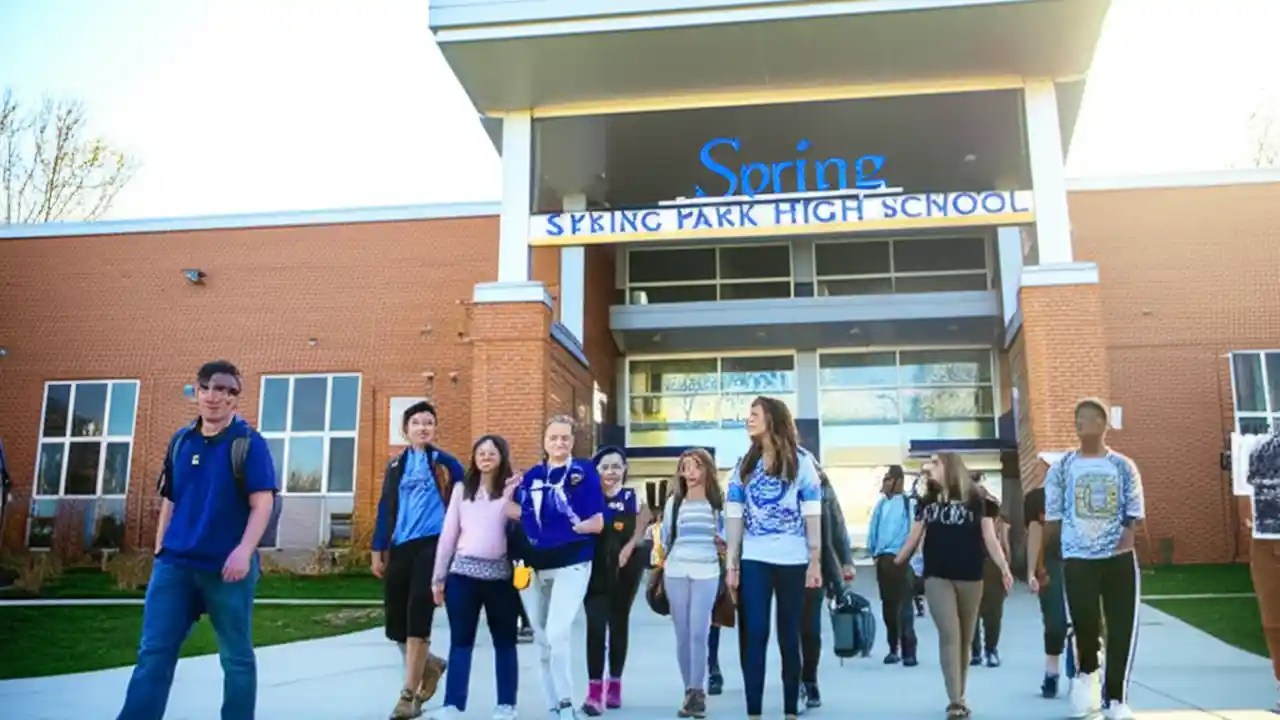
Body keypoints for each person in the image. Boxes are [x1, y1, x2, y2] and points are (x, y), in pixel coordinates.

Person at [116, 360, 277, 720]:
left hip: (227, 569)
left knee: (235, 657)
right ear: (197, 392)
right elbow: (170, 498)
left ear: (235, 398)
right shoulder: (181, 440)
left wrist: (244, 552)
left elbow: (262, 503)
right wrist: (161, 549)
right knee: (154, 653)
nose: (212, 397)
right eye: (206, 388)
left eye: (223, 390)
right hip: (175, 567)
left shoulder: (248, 444)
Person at [1044, 398, 1145, 720]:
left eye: (1085, 419)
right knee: (1085, 623)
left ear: (1102, 424)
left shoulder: (1123, 466)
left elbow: (1133, 513)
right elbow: (1053, 516)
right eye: (1076, 420)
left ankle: (1116, 698)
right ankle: (1087, 674)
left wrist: (1123, 542)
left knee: (1121, 627)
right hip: (1078, 558)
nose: (1079, 425)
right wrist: (1045, 559)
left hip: (1117, 559)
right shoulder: (1062, 467)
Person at [724, 396, 823, 720]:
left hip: (793, 559)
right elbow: (734, 515)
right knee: (755, 632)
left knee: (788, 634)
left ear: (772, 419)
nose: (748, 419)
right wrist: (732, 563)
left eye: (754, 414)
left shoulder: (802, 462)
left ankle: (790, 710)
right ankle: (754, 711)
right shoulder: (744, 465)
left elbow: (812, 513)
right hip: (755, 558)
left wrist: (815, 560)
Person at [895, 452, 1012, 719]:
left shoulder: (977, 500)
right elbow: (914, 536)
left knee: (965, 638)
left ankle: (960, 694)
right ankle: (955, 701)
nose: (929, 467)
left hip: (971, 576)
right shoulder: (927, 500)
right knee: (950, 634)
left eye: (935, 463)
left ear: (949, 466)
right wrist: (896, 561)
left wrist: (1004, 568)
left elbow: (990, 538)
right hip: (937, 576)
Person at [371, 400, 467, 720]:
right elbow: (386, 508)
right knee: (395, 622)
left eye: (429, 422)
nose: (423, 427)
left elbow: (466, 488)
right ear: (406, 429)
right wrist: (377, 548)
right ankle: (431, 664)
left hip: (433, 545)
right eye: (416, 423)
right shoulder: (395, 466)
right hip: (400, 546)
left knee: (417, 613)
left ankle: (408, 695)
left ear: (434, 429)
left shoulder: (443, 462)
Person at [508, 415, 605, 720]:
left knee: (557, 631)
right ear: (545, 441)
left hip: (572, 561)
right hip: (531, 565)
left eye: (565, 438)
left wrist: (578, 528)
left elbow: (598, 520)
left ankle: (566, 702)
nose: (559, 443)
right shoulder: (532, 475)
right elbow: (514, 510)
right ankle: (553, 704)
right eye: (554, 438)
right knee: (540, 636)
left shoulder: (584, 472)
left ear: (573, 442)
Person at [429, 435, 522, 720]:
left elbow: (526, 522)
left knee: (505, 642)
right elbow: (448, 536)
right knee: (461, 641)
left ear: (502, 456)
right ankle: (453, 705)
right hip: (463, 577)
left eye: (491, 452)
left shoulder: (514, 488)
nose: (485, 457)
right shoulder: (461, 490)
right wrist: (438, 578)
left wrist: (513, 495)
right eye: (480, 452)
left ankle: (506, 704)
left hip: (502, 578)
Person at [581, 446, 651, 715]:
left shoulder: (633, 496)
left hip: (626, 567)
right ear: (596, 471)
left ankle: (615, 685)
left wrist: (630, 547)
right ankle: (594, 690)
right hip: (595, 572)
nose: (610, 472)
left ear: (624, 469)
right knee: (596, 627)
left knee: (618, 623)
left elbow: (642, 524)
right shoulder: (588, 498)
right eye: (604, 467)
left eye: (616, 466)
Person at [660, 448, 725, 718]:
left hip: (707, 570)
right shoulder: (675, 502)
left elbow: (726, 535)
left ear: (707, 470)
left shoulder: (717, 503)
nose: (690, 471)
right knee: (683, 633)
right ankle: (690, 690)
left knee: (700, 631)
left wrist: (724, 543)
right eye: (685, 466)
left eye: (696, 466)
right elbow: (665, 538)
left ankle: (698, 690)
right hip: (676, 569)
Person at [793, 462, 857, 710]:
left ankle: (809, 679)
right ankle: (795, 681)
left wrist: (846, 561)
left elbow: (837, 526)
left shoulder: (823, 489)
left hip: (816, 564)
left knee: (809, 628)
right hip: (783, 563)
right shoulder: (778, 484)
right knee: (790, 628)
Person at [1025, 456, 1070, 698]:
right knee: (1055, 623)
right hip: (1050, 566)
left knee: (1087, 622)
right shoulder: (1036, 499)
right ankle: (1051, 674)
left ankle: (1087, 675)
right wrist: (1032, 571)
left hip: (1081, 563)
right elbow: (1034, 533)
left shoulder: (1078, 497)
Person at [867, 464, 918, 666]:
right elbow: (873, 531)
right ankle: (892, 648)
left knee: (905, 606)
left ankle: (909, 651)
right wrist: (874, 554)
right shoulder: (880, 505)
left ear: (898, 481)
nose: (886, 482)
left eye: (889, 478)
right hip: (884, 560)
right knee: (888, 607)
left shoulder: (908, 503)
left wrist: (909, 557)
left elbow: (914, 532)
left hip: (902, 559)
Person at [969, 472, 1010, 668]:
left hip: (988, 562)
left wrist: (1004, 566)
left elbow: (998, 537)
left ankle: (987, 650)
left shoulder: (991, 506)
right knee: (976, 610)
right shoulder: (963, 507)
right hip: (976, 562)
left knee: (988, 610)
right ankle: (981, 651)